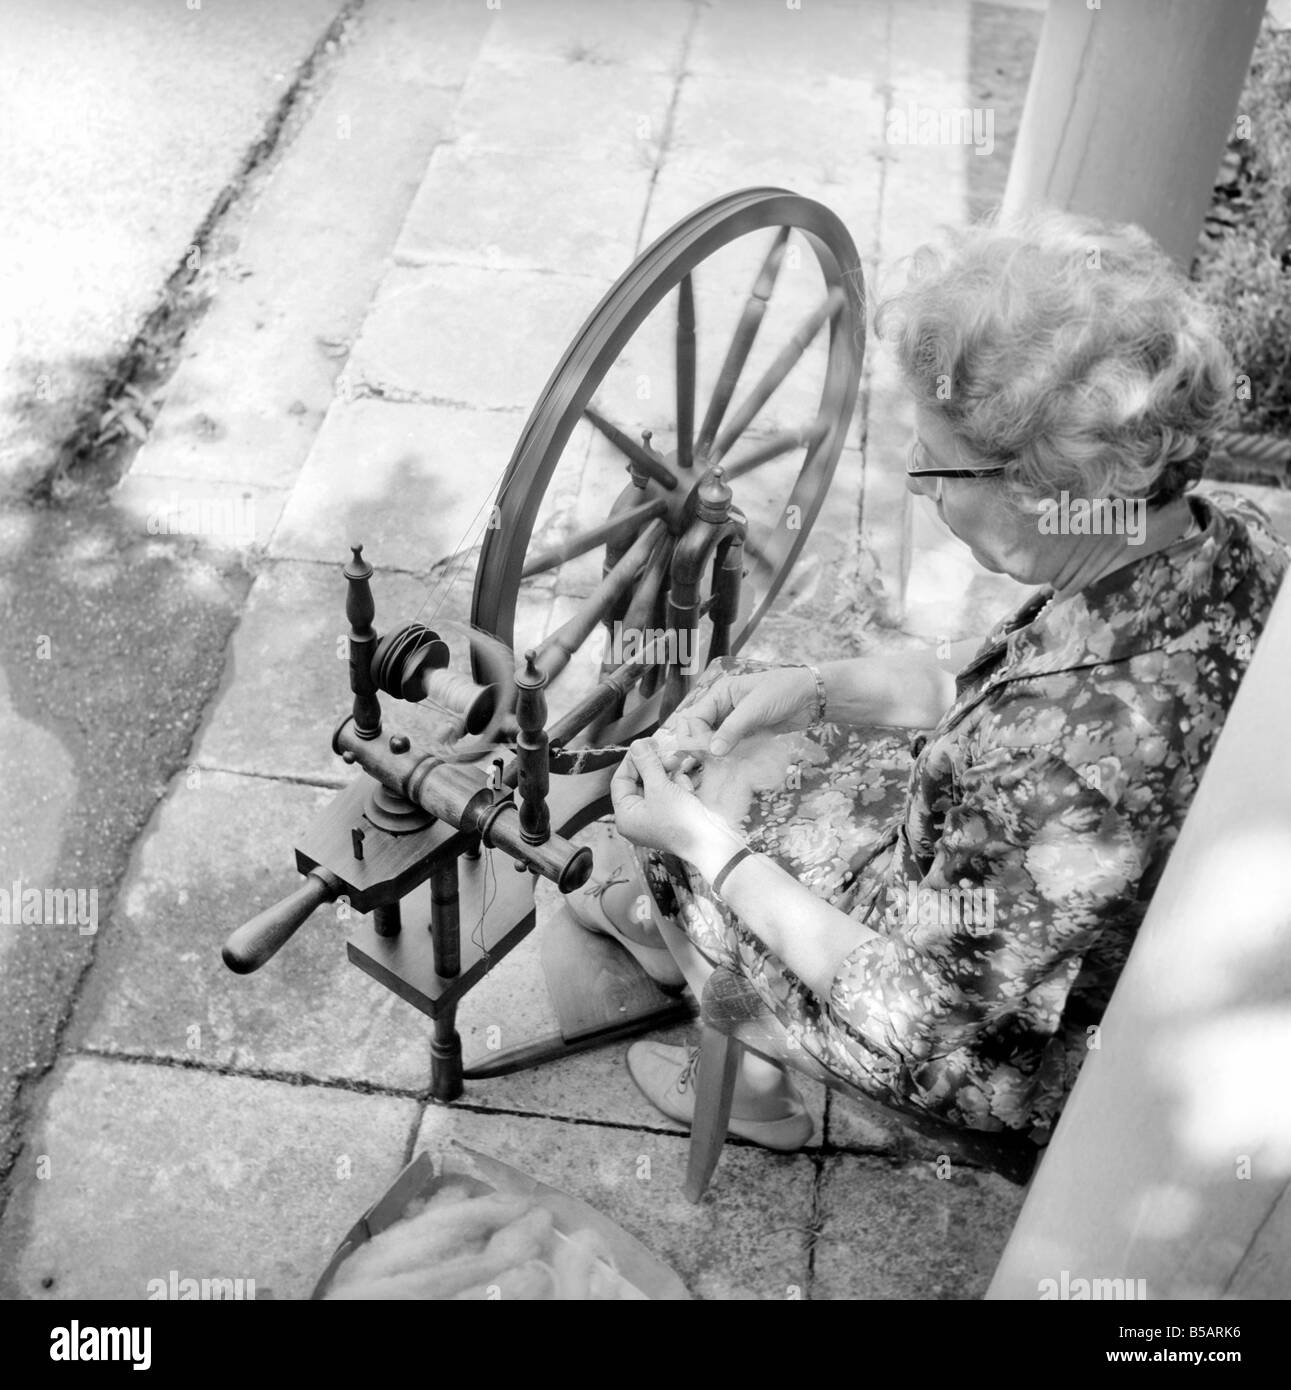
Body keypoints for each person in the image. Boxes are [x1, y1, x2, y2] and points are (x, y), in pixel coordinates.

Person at [568, 208, 1289, 1154]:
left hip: (1001, 1046)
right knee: (764, 757)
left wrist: (700, 846)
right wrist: (815, 688)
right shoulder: (1222, 543)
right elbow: (998, 692)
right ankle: (682, 929)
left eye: (938, 466)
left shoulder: (1066, 761)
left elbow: (910, 1010)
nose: (917, 483)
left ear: (1053, 487)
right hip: (1033, 913)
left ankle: (742, 1073)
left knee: (691, 818)